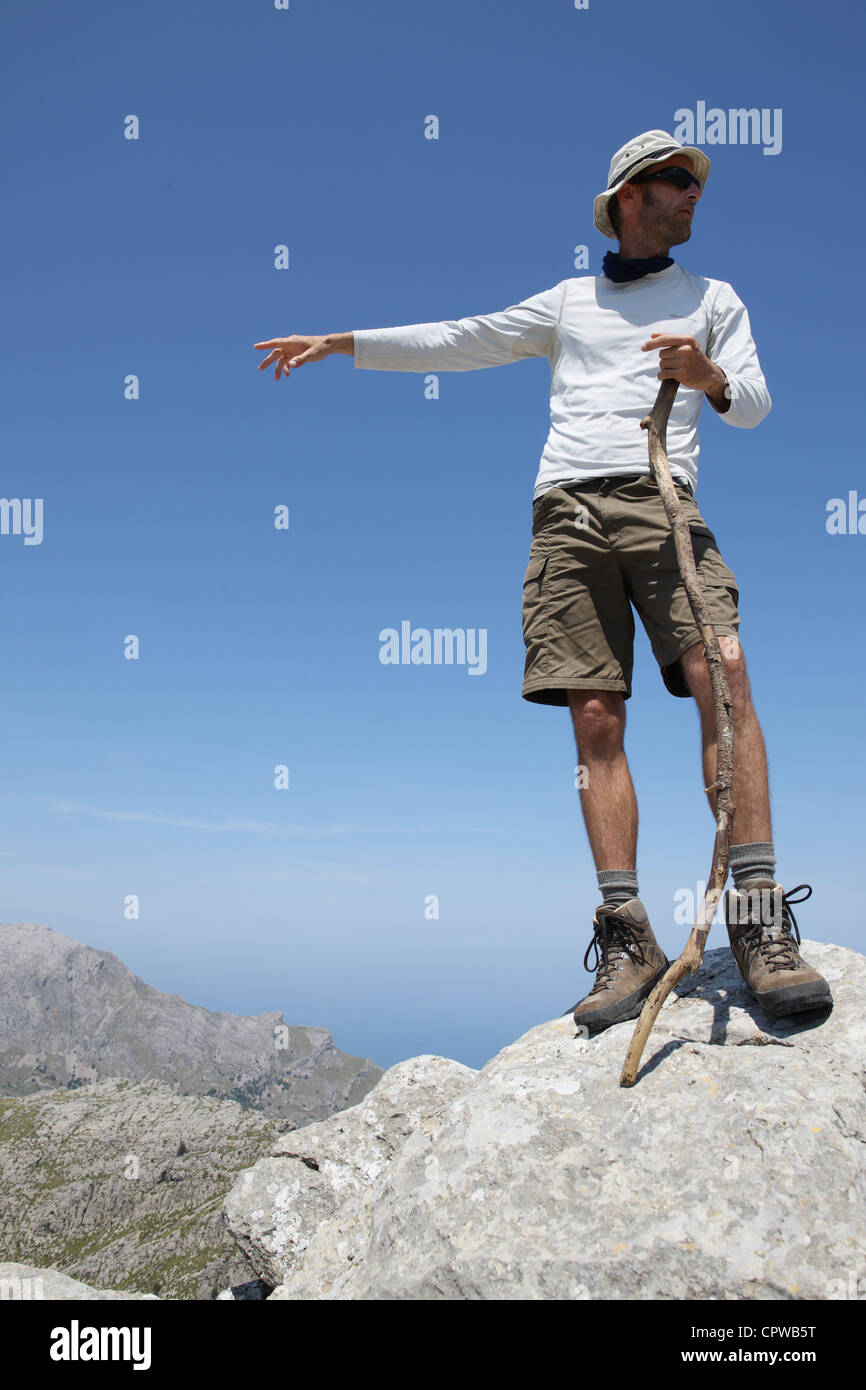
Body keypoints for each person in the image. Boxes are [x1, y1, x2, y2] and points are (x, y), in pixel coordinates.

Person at [253, 128, 832, 1033]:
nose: (695, 196)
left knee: (727, 675)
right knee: (594, 715)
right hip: (566, 512)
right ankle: (628, 933)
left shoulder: (715, 298)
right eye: (680, 181)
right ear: (631, 196)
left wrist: (707, 373)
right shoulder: (568, 301)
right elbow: (460, 337)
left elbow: (753, 406)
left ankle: (759, 920)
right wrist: (343, 343)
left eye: (695, 183)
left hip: (663, 501)